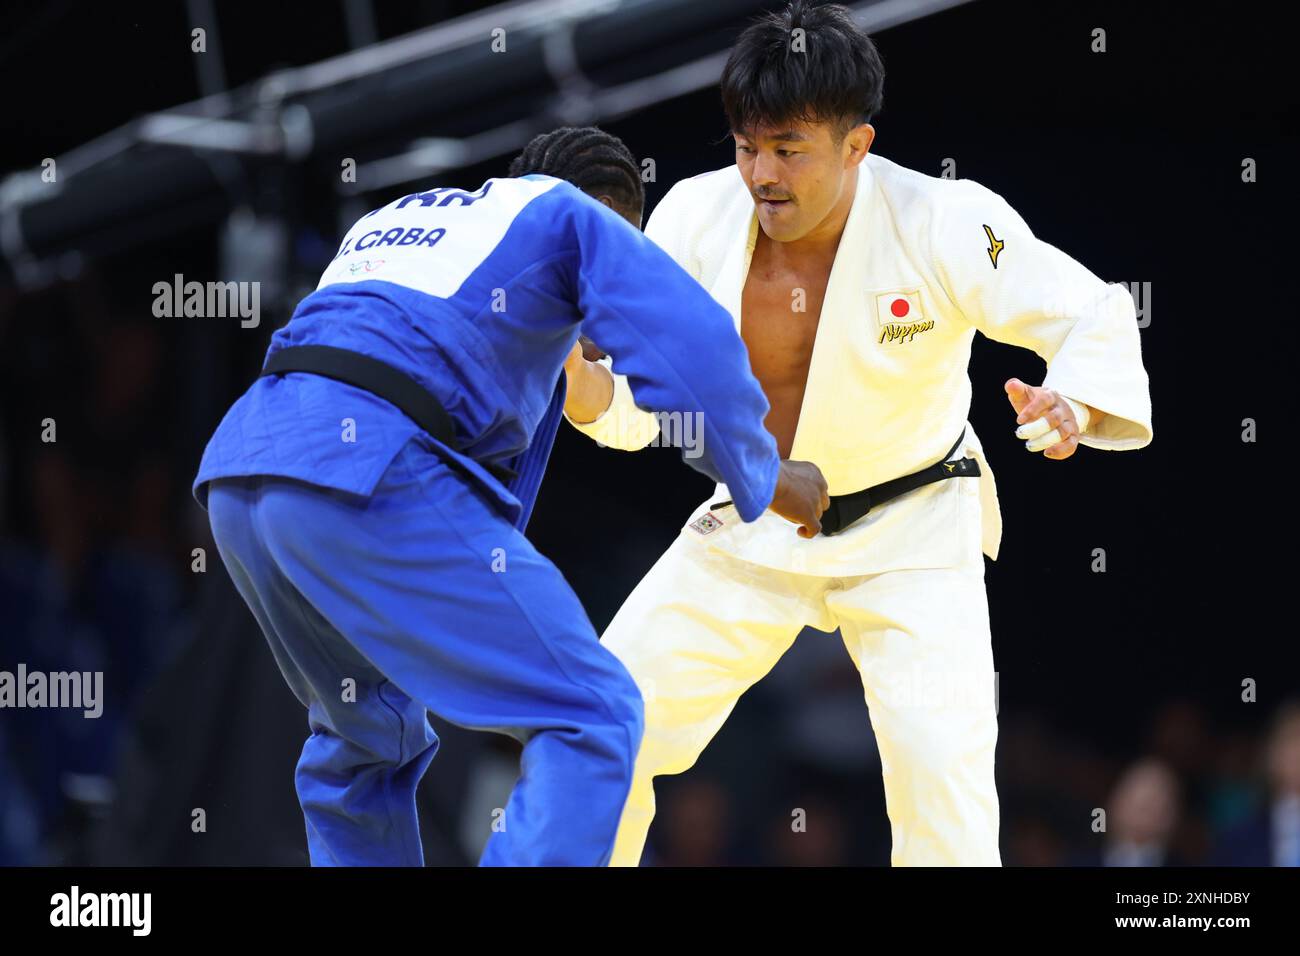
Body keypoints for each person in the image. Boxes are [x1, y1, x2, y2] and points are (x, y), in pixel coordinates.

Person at [565, 3, 1153, 865]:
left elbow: (1090, 309)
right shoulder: (694, 219)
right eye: (745, 144)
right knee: (601, 724)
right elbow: (636, 405)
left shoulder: (942, 219)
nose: (761, 173)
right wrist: (582, 386)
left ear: (857, 144)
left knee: (940, 783)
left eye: (789, 148)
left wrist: (1076, 401)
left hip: (912, 524)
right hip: (756, 513)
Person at [192, 126, 828, 866]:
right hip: (367, 466)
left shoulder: (401, 223)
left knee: (363, 742)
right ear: (616, 215)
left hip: (247, 470)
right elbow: (689, 342)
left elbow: (426, 371)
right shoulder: (573, 216)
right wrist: (765, 474)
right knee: (592, 713)